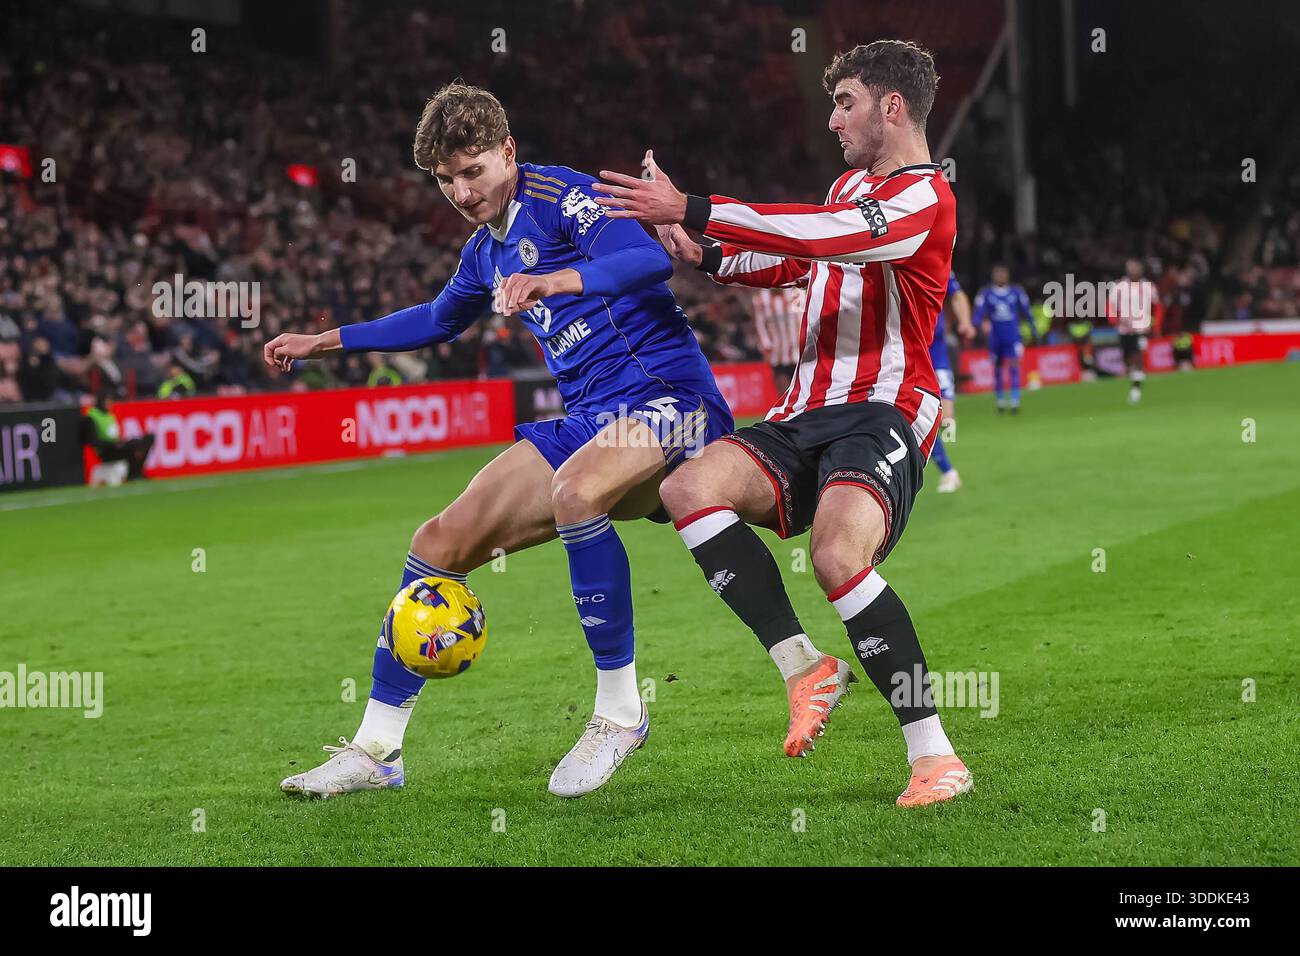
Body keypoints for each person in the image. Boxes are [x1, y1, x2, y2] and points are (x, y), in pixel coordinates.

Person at [263, 83, 733, 800]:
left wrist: (558, 279)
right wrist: (324, 342)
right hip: (592, 421)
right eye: (446, 179)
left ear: (508, 153)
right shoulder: (485, 253)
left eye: (472, 170)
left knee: (575, 490)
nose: (460, 190)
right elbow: (437, 318)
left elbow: (646, 260)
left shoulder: (563, 196)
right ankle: (377, 749)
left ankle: (619, 713)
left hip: (677, 403)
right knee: (437, 544)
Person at [594, 39, 973, 806]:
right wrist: (703, 251)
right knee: (690, 487)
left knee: (837, 555)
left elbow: (832, 239)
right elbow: (800, 261)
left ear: (891, 107)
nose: (833, 118)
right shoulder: (846, 188)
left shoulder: (925, 197)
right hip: (804, 410)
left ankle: (934, 756)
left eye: (846, 102)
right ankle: (805, 663)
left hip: (883, 408)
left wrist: (695, 204)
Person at [929, 272, 974, 492]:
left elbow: (957, 295)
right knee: (925, 421)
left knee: (946, 420)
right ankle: (948, 472)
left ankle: (944, 468)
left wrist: (965, 321)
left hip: (937, 353)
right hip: (911, 353)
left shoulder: (938, 261)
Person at [973, 265, 1034, 413]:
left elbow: (1027, 311)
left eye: (1003, 273)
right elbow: (978, 314)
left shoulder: (1016, 292)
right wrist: (979, 325)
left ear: (1007, 275)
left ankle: (1014, 401)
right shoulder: (986, 293)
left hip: (1012, 336)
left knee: (1014, 366)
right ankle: (1000, 402)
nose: (1000, 276)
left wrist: (1034, 330)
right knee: (998, 369)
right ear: (993, 275)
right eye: (997, 273)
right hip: (996, 337)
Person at [1106, 258, 1164, 404]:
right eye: (1130, 268)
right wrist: (1114, 320)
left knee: (1138, 357)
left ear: (1141, 270)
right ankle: (1134, 376)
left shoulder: (1148, 286)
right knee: (1127, 358)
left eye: (1135, 268)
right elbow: (1109, 305)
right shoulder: (1119, 286)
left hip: (1141, 328)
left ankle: (1135, 391)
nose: (1133, 271)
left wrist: (1155, 325)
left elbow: (1157, 306)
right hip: (1124, 329)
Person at [79, 390, 154, 481]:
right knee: (134, 445)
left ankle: (137, 473)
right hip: (106, 451)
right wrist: (113, 444)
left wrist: (119, 443)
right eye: (108, 401)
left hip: (116, 446)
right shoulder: (91, 416)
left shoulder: (109, 414)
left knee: (148, 439)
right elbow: (93, 441)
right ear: (101, 401)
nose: (110, 403)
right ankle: (133, 475)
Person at [749, 286, 803, 394]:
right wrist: (766, 346)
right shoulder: (760, 299)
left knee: (802, 389)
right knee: (784, 392)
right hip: (777, 353)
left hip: (799, 350)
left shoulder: (796, 293)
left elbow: (803, 318)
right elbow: (760, 325)